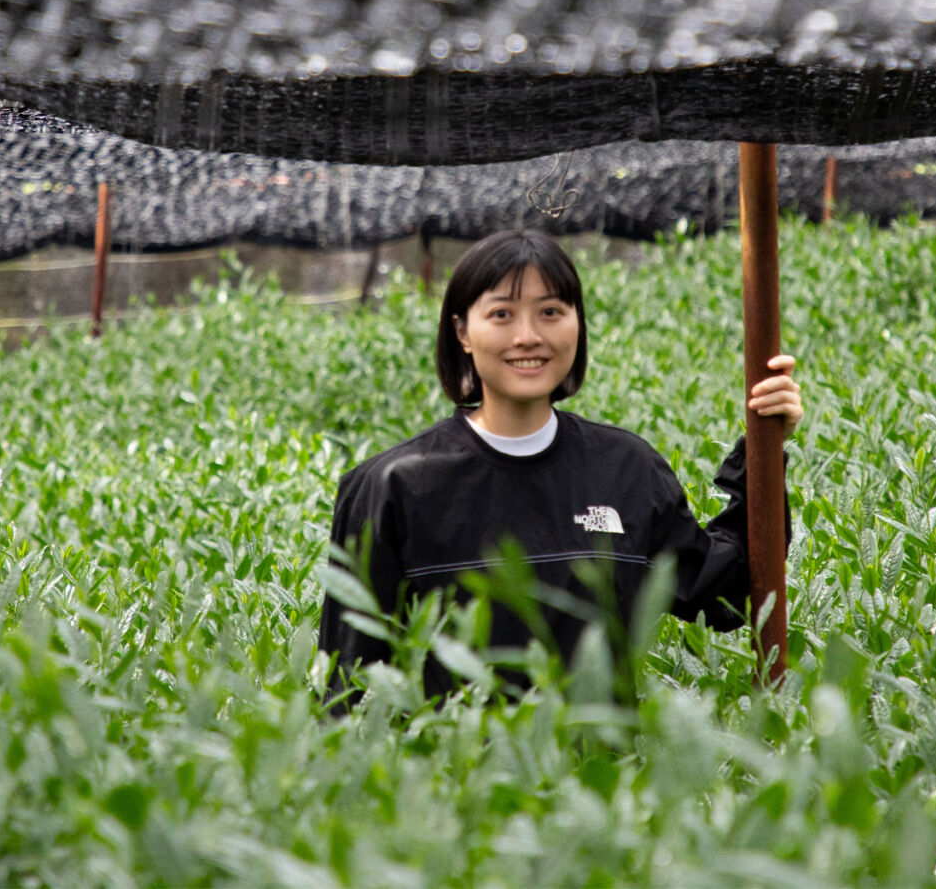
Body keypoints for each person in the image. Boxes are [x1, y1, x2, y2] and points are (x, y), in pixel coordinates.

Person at [320, 229, 803, 700]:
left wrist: (762, 447)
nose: (528, 336)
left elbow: (728, 593)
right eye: (502, 314)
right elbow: (352, 686)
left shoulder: (624, 471)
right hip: (451, 773)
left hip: (596, 776)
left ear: (578, 324)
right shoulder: (394, 487)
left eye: (551, 312)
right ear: (462, 331)